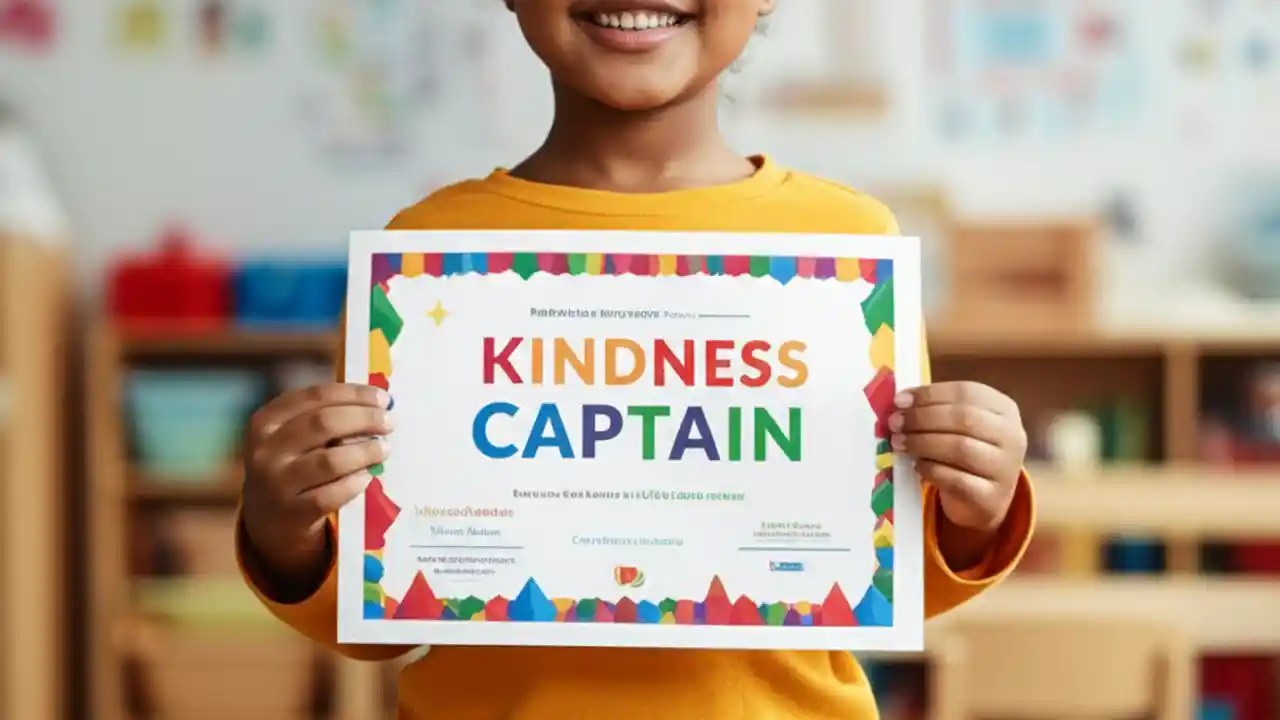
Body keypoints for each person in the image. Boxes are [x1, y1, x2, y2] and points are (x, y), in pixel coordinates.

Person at [237, 1, 1036, 717]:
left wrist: (975, 511)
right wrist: (287, 533)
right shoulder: (421, 254)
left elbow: (880, 584)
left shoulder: (848, 246)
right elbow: (383, 612)